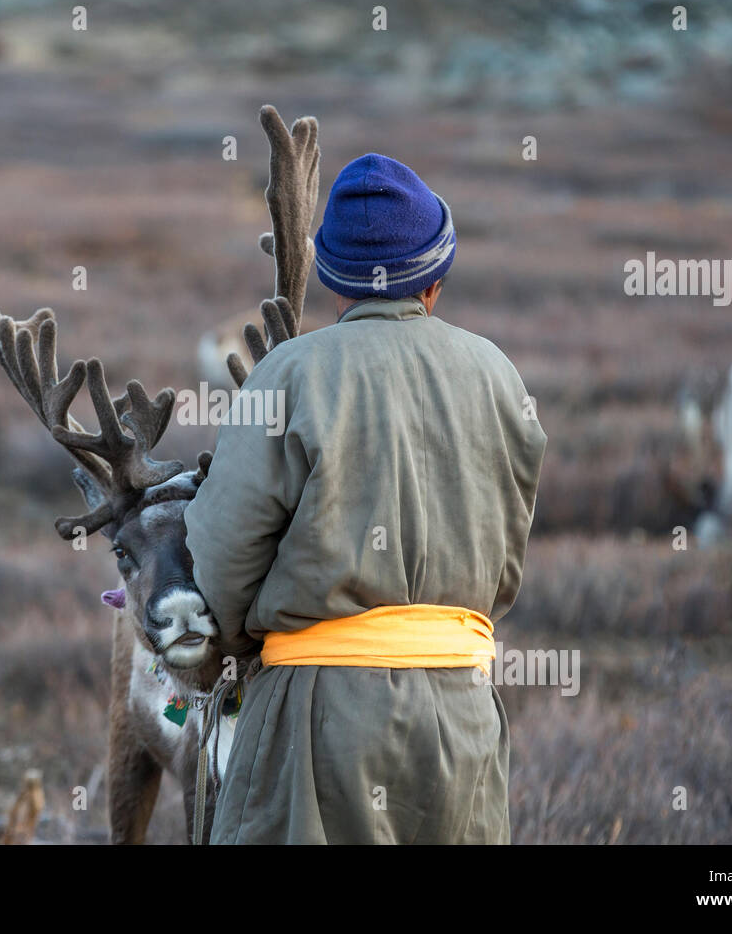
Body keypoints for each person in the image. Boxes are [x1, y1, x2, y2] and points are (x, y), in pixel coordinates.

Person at [183, 152, 546, 844]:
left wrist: (230, 647)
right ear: (435, 278)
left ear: (332, 283)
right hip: (462, 713)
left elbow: (222, 561)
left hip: (314, 717)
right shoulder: (500, 375)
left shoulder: (288, 374)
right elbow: (506, 559)